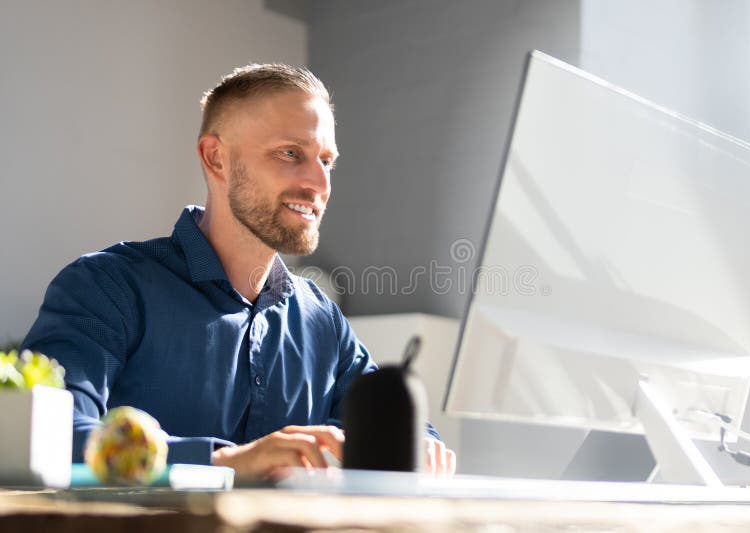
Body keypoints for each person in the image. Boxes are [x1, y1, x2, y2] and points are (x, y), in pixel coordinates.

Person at [22, 63, 455, 479]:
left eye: (327, 161)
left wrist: (418, 443)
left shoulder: (323, 321)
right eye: (290, 153)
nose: (320, 184)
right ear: (216, 159)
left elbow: (392, 425)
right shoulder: (105, 288)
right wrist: (222, 462)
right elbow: (47, 438)